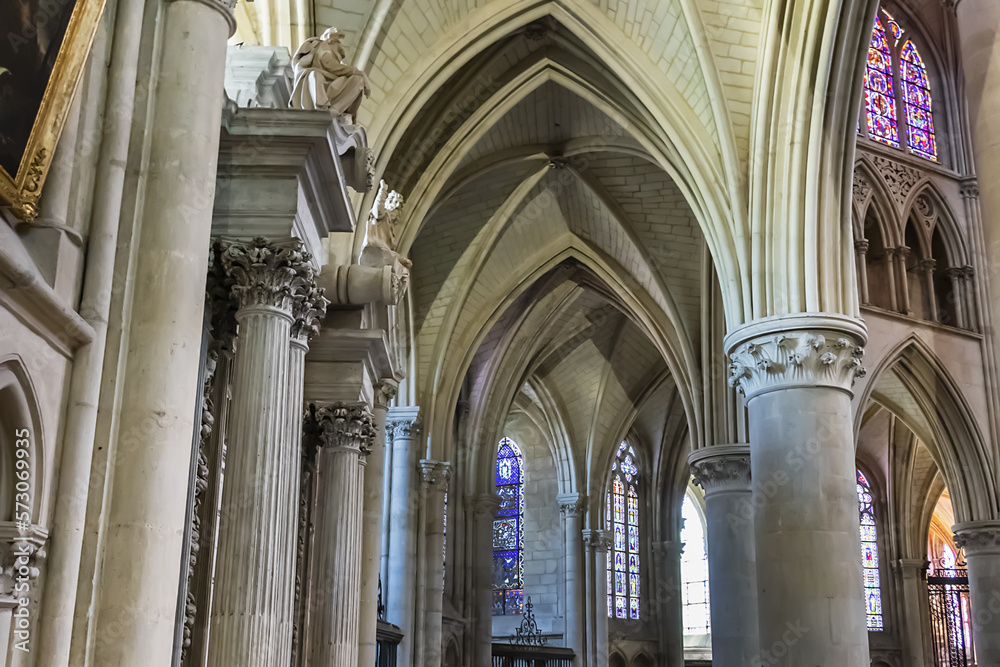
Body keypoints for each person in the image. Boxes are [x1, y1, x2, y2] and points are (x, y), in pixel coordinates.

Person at [289, 28, 370, 124]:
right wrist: (357, 72)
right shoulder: (322, 45)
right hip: (320, 84)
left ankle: (335, 110)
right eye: (340, 42)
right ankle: (322, 109)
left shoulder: (336, 56)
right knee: (315, 75)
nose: (342, 46)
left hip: (332, 85)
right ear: (331, 40)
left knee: (358, 80)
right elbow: (328, 64)